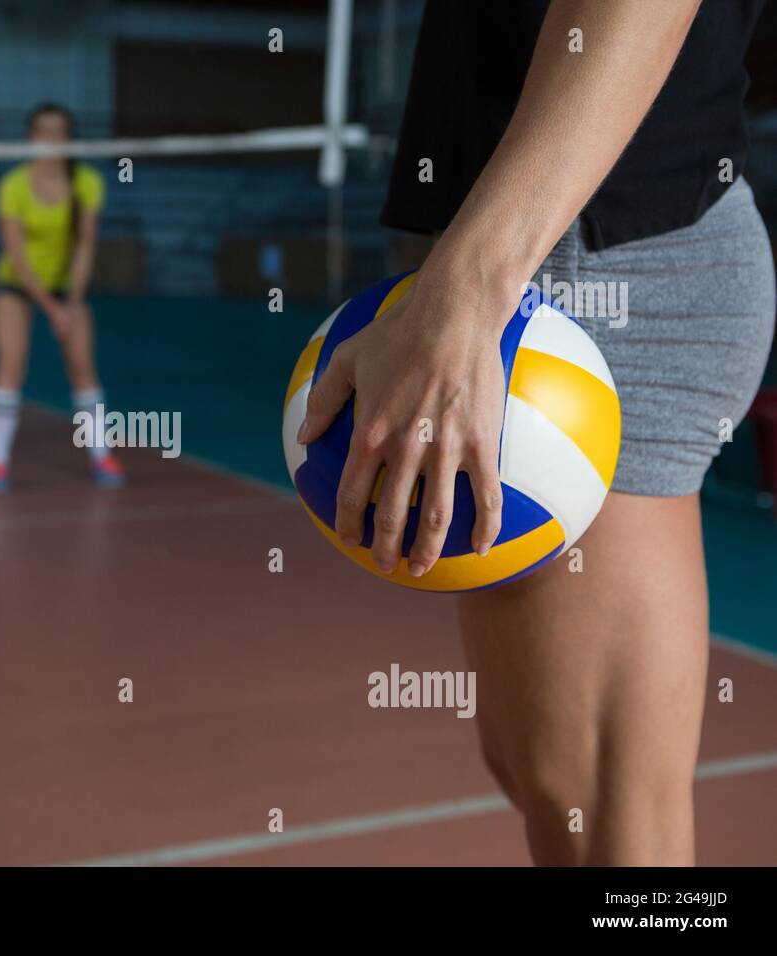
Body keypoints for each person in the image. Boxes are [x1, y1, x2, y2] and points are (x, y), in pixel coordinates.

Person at [298, 0, 773, 865]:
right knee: (539, 770)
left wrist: (469, 294)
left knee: (606, 829)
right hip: (548, 256)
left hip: (591, 273)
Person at [0, 102, 124, 492]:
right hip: (17, 283)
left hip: (68, 287)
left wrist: (72, 303)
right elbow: (15, 253)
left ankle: (101, 456)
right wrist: (50, 307)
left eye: (59, 131)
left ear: (69, 138)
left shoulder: (88, 183)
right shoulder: (13, 185)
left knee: (82, 367)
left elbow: (85, 246)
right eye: (43, 131)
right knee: (11, 363)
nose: (51, 139)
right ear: (31, 138)